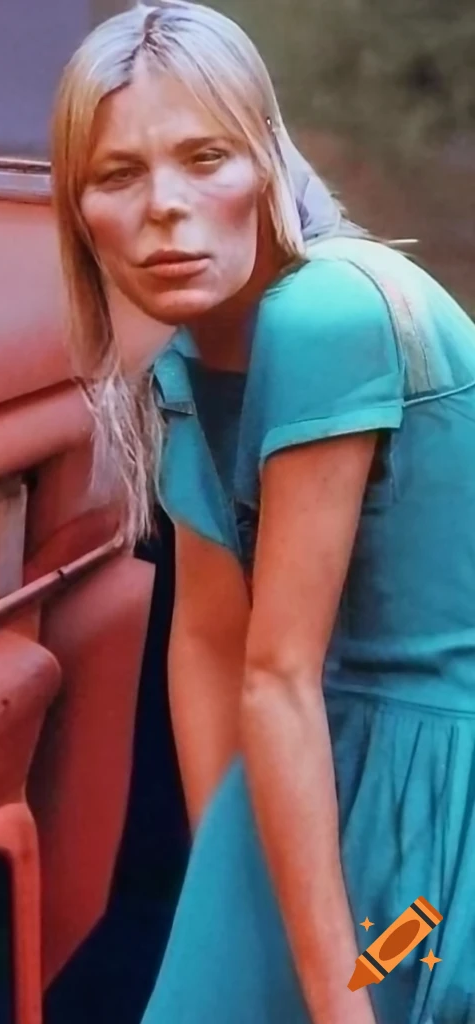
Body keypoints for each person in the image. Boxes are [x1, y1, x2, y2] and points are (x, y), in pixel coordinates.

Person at [51, 2, 475, 1022]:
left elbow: (279, 670)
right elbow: (205, 644)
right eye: (117, 175)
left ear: (267, 165)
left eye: (205, 157)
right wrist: (228, 890)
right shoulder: (190, 365)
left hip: (433, 792)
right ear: (76, 209)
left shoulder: (326, 314)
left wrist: (333, 1004)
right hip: (303, 771)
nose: (165, 206)